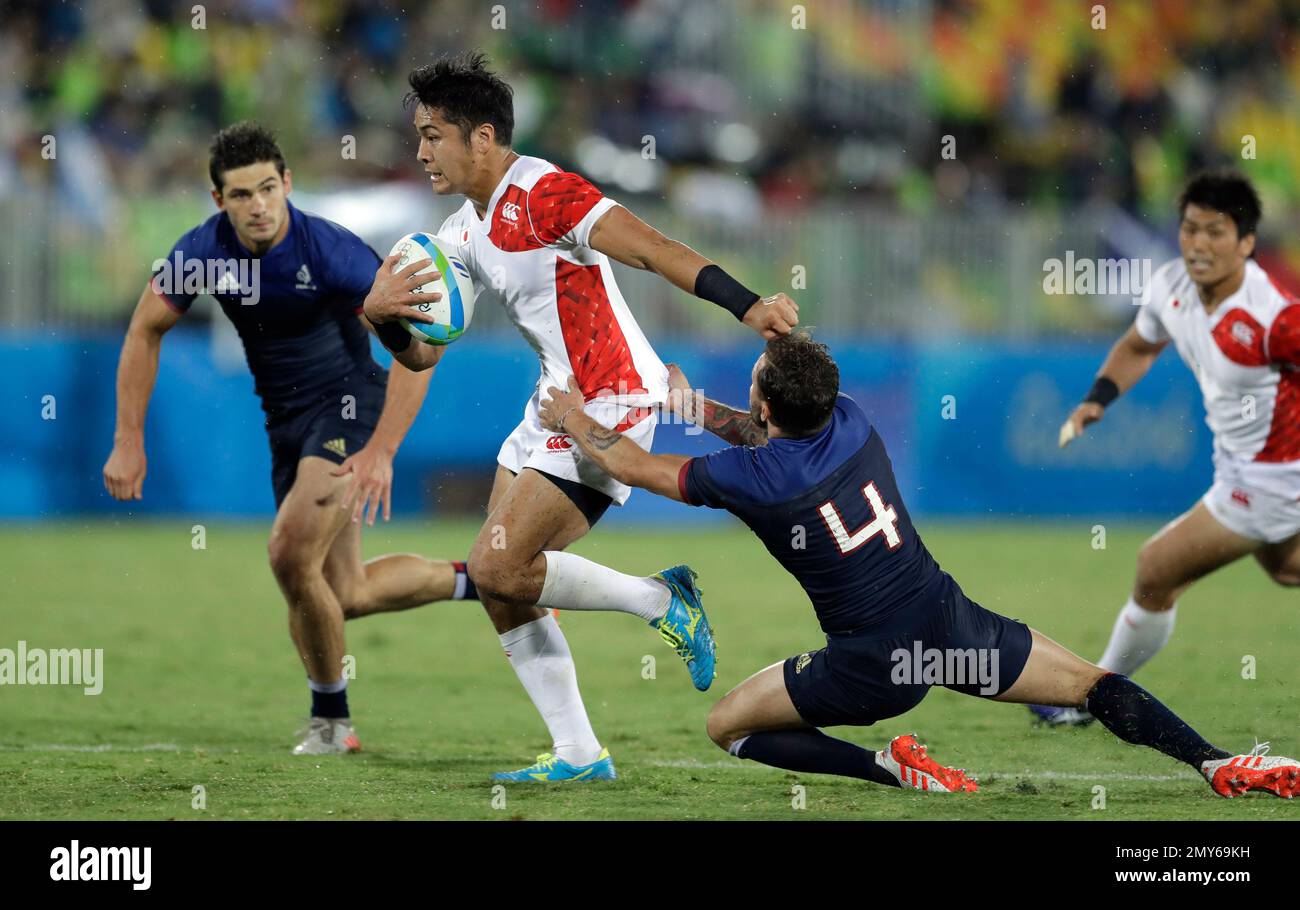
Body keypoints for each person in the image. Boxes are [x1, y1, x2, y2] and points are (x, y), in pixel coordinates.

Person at [537, 334, 1299, 798]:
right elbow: (765, 433)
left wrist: (569, 413)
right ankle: (1216, 764)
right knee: (1091, 685)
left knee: (725, 725)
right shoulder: (852, 418)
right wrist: (696, 408)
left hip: (870, 667)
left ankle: (889, 768)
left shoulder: (755, 478)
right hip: (945, 620)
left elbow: (632, 466)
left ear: (767, 405)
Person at [361, 52, 799, 782]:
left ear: (483, 137)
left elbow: (654, 250)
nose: (421, 151)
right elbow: (420, 360)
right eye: (418, 136)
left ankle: (661, 598)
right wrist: (382, 319)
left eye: (434, 134)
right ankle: (579, 753)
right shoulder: (461, 230)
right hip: (553, 403)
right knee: (499, 583)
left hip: (613, 404)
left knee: (500, 564)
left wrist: (747, 304)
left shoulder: (546, 194)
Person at [103, 122, 473, 755]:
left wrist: (380, 449)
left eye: (269, 188)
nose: (259, 206)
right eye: (242, 194)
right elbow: (144, 331)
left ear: (288, 184)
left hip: (347, 411)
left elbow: (419, 357)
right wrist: (128, 437)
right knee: (345, 593)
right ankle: (489, 579)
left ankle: (332, 724)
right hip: (286, 425)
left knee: (287, 554)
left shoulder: (331, 252)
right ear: (219, 200)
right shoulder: (199, 252)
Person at [1036, 170, 1300, 726]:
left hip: (1272, 481)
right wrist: (1097, 399)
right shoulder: (1169, 286)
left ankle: (1088, 700)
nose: (1199, 244)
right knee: (1285, 569)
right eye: (1190, 229)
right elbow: (1138, 344)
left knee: (1155, 569)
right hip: (1241, 468)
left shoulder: (1275, 319)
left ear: (1247, 242)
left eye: (1216, 232)